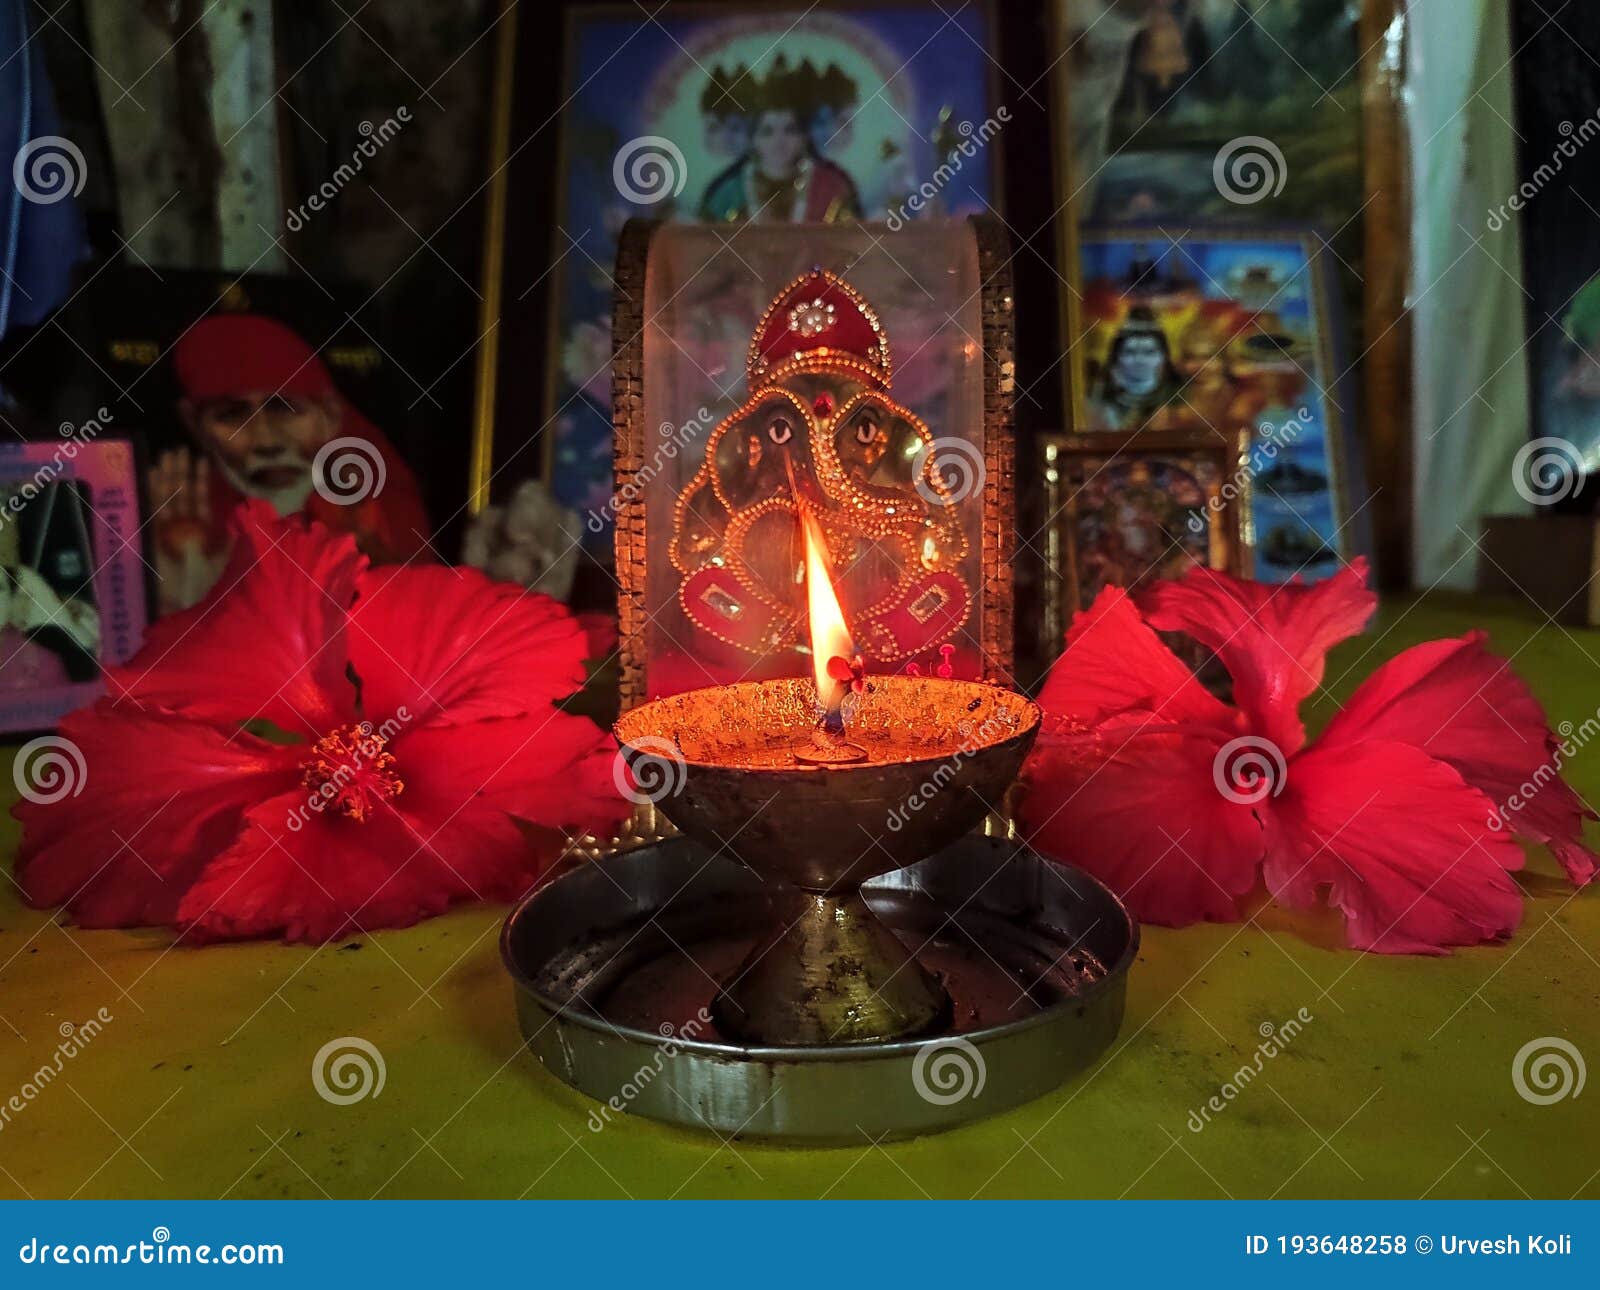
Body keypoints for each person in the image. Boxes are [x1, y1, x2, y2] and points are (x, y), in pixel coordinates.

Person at [151, 313, 430, 613]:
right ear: (195, 425)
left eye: (286, 410)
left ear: (330, 415)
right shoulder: (180, 522)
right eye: (231, 414)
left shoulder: (379, 511)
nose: (267, 440)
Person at [698, 56, 862, 224]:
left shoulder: (833, 188)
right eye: (767, 132)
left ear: (804, 137)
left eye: (790, 130)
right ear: (753, 139)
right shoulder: (727, 193)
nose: (779, 141)